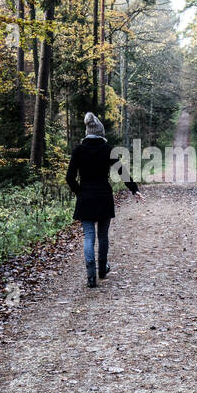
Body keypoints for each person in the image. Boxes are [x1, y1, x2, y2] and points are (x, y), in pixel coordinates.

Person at [66, 112, 139, 288]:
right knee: (103, 235)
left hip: (86, 198)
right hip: (103, 197)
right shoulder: (108, 150)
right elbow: (121, 171)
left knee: (89, 236)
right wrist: (134, 190)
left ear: (87, 132)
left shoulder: (78, 150)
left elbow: (69, 178)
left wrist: (80, 192)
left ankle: (91, 275)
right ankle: (102, 269)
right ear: (101, 133)